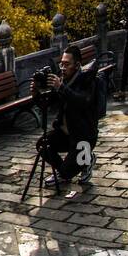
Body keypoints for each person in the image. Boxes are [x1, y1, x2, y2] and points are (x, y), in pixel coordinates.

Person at [41, 45, 100, 184]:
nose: (62, 68)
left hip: (83, 138)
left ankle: (87, 160)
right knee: (43, 145)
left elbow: (81, 101)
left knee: (67, 173)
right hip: (67, 135)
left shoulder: (87, 80)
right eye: (61, 63)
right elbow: (47, 105)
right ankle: (64, 170)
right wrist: (36, 93)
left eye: (67, 64)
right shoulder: (64, 79)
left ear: (77, 65)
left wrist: (61, 87)